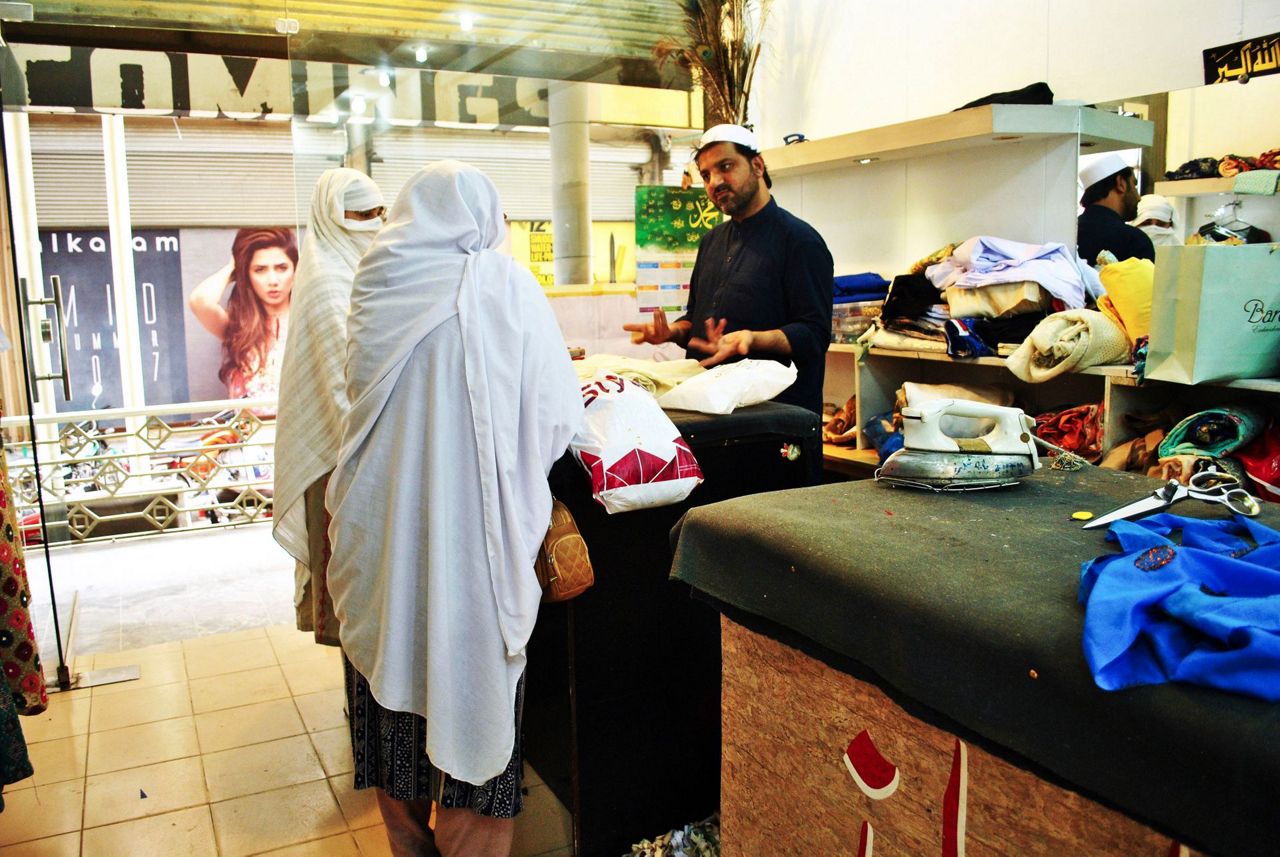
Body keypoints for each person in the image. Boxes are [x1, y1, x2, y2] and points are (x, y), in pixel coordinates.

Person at [325, 161, 583, 857]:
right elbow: (560, 417)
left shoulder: (375, 282)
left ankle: (407, 844)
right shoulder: (505, 286)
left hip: (380, 542)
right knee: (471, 701)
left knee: (392, 700)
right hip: (473, 546)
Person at [624, 123, 834, 414]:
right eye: (707, 175)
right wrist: (672, 332)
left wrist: (752, 338)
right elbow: (697, 322)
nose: (715, 182)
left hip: (774, 421)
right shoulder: (711, 241)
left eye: (726, 166)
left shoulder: (800, 241)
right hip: (710, 413)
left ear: (757, 166)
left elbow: (814, 335)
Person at [271, 167, 385, 646]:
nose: (372, 226)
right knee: (352, 601)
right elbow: (345, 382)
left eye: (378, 215)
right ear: (332, 218)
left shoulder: (372, 271)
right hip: (338, 457)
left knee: (376, 601)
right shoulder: (323, 283)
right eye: (359, 217)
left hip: (372, 452)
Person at [188, 226, 298, 400]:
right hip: (250, 427)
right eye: (260, 270)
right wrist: (234, 267)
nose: (273, 281)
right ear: (247, 274)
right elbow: (199, 301)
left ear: (295, 270)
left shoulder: (309, 320)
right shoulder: (238, 327)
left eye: (281, 268)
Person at [1077, 153, 1155, 264]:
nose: (1138, 197)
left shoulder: (1071, 233)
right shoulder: (1133, 240)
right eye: (1134, 185)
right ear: (1121, 183)